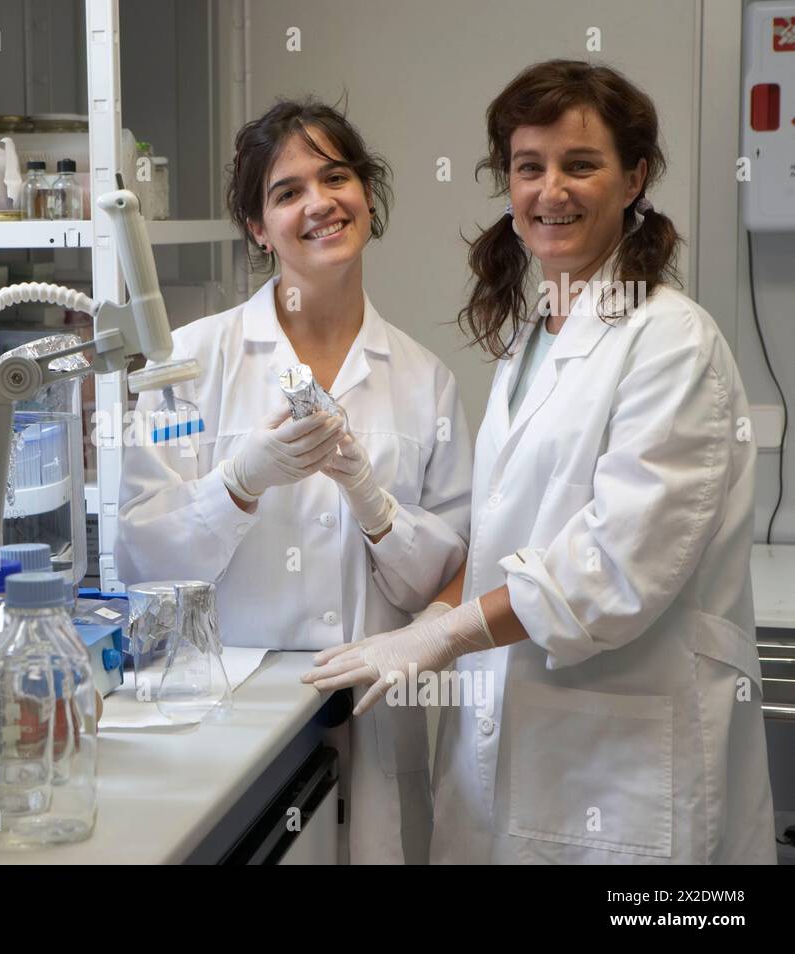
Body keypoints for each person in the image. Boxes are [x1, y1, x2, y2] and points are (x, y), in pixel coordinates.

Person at [304, 60, 777, 864]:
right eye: (529, 167)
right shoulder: (536, 340)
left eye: (580, 165)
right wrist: (422, 626)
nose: (550, 190)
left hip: (624, 759)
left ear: (635, 179)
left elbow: (616, 568)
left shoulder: (671, 340)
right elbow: (502, 532)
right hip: (522, 738)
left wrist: (447, 635)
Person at [115, 100, 472, 864]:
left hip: (378, 729)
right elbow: (144, 567)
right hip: (236, 735)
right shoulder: (188, 364)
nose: (319, 203)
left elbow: (443, 584)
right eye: (286, 192)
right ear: (257, 227)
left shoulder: (425, 381)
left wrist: (375, 507)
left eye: (336, 177)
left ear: (367, 197)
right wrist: (238, 484)